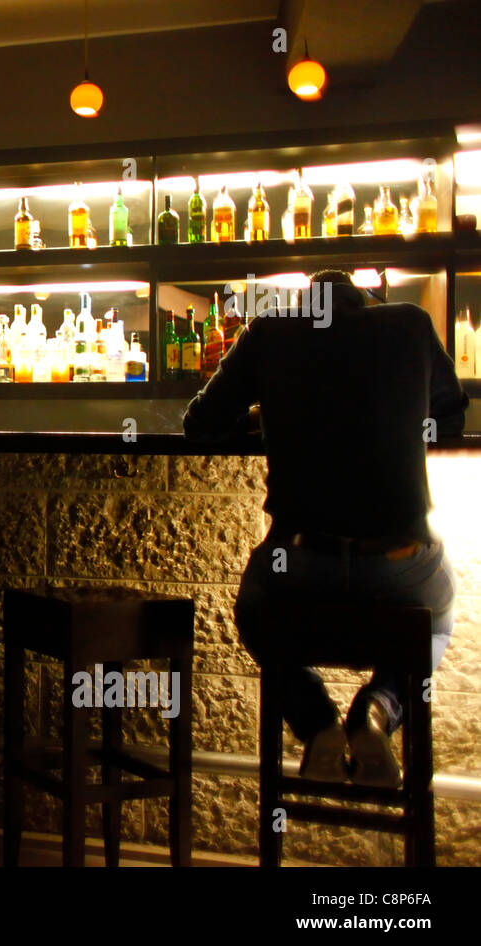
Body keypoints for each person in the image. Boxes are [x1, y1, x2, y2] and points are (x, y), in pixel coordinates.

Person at [183, 269, 468, 786]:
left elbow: (199, 423)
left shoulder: (268, 331)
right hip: (400, 567)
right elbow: (450, 418)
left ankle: (318, 726)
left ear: (304, 301)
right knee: (441, 614)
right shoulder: (410, 323)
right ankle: (376, 714)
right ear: (366, 299)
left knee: (253, 611)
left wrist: (266, 417)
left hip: (299, 569)